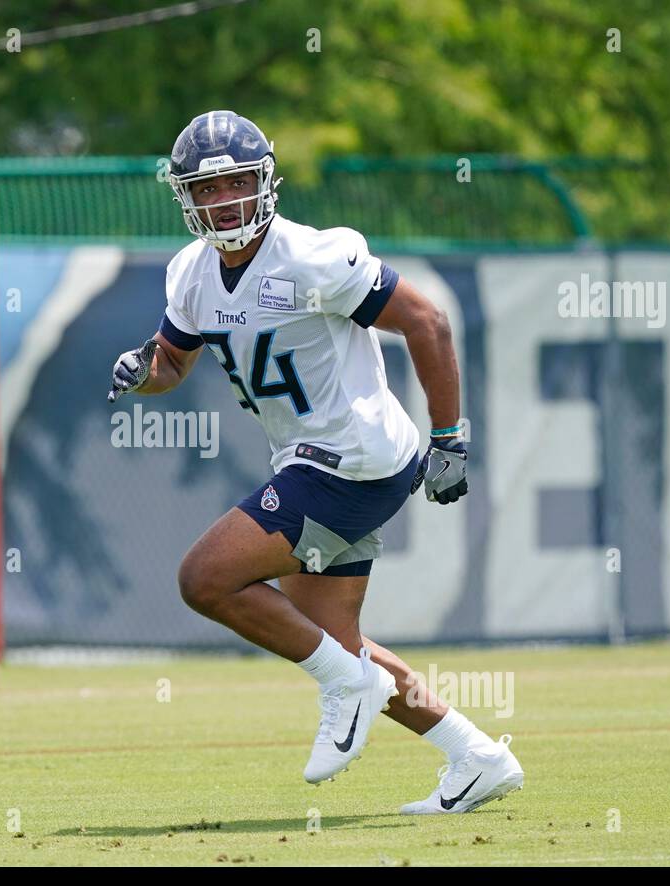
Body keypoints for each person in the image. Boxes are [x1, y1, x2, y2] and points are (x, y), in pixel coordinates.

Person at [108, 110, 522, 813]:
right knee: (337, 641)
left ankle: (346, 685)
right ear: (185, 199)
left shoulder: (313, 256)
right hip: (314, 460)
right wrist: (140, 370)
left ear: (265, 181)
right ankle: (475, 755)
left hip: (350, 457)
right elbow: (173, 359)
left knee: (205, 578)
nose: (223, 201)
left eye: (236, 182)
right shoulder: (192, 273)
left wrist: (449, 436)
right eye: (205, 190)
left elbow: (426, 321)